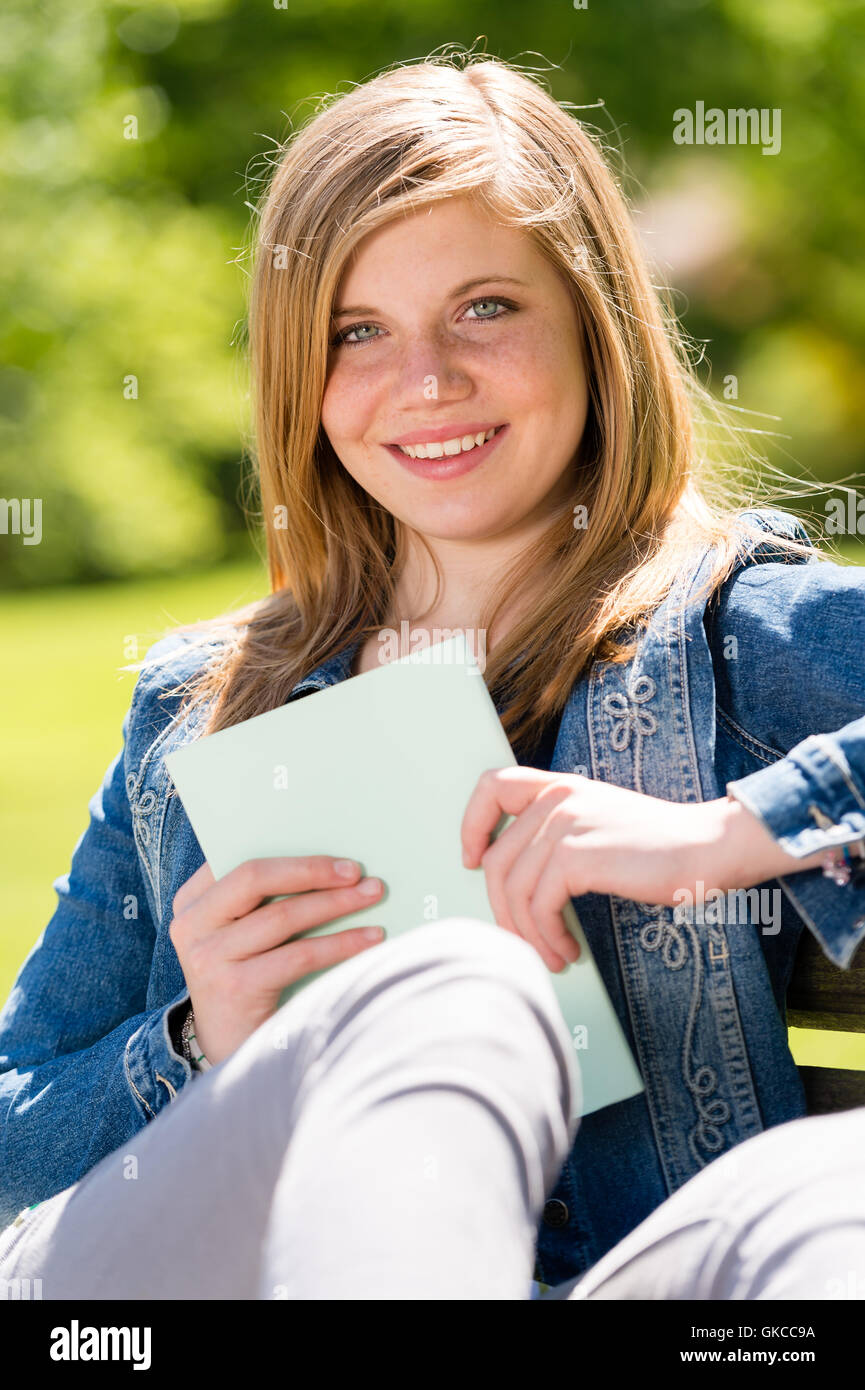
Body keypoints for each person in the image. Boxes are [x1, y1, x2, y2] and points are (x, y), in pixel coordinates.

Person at [2, 53, 864, 1301]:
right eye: (359, 332)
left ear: (594, 323)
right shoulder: (200, 700)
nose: (428, 381)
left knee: (825, 1193)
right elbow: (19, 1130)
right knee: (455, 994)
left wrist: (731, 833)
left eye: (485, 309)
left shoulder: (750, 639)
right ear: (302, 374)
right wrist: (200, 1041)